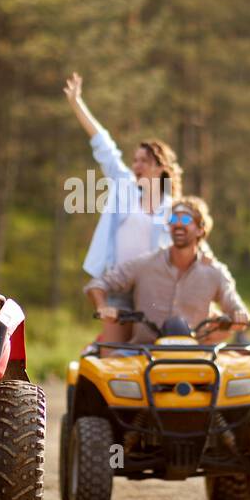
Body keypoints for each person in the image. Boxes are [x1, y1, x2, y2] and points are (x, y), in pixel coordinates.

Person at [65, 72, 207, 341]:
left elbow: (190, 238)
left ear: (160, 167)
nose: (136, 166)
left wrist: (207, 259)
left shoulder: (172, 208)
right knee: (114, 354)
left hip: (152, 289)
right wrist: (77, 103)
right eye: (135, 160)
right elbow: (103, 144)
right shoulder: (124, 187)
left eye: (143, 161)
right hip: (117, 283)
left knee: (153, 352)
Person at [84, 196, 249, 353]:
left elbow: (238, 309)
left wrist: (239, 318)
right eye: (173, 220)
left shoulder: (215, 273)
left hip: (197, 357)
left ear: (200, 230)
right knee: (112, 374)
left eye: (185, 220)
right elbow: (97, 285)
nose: (178, 224)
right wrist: (102, 307)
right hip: (144, 355)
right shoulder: (144, 264)